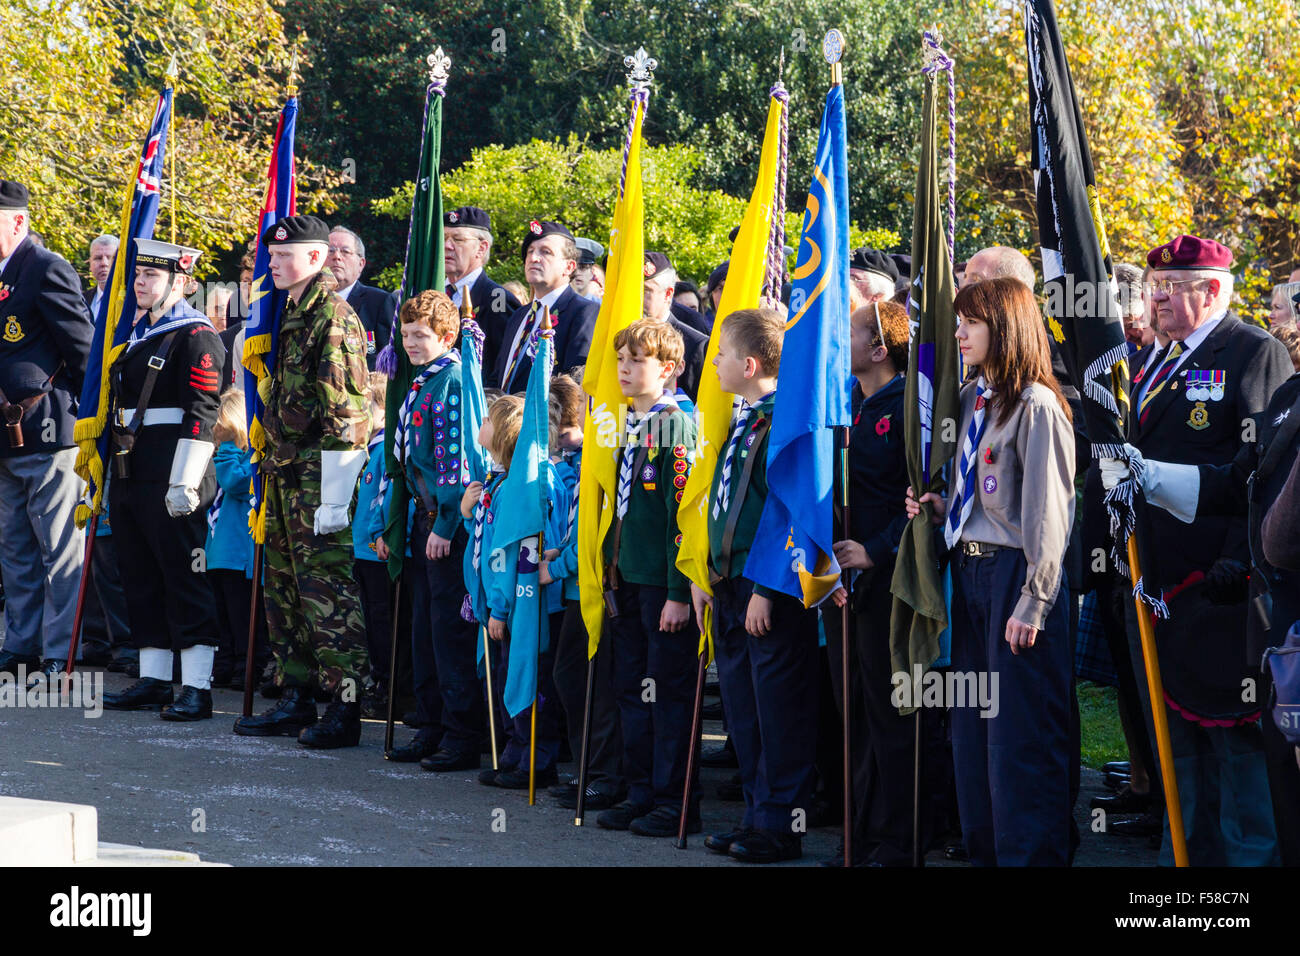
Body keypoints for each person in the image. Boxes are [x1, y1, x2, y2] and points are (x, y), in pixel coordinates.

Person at [1099, 234, 1296, 866]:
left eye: (1170, 287)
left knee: (1234, 749)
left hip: (1219, 587)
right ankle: (1184, 869)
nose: (1154, 298)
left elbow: (1264, 474)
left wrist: (1238, 561)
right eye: (1154, 286)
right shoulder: (1151, 359)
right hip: (1156, 579)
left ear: (1209, 291)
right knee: (1175, 742)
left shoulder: (1251, 351)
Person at [907, 276, 1079, 866]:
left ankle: (1029, 857)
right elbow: (981, 493)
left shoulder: (1035, 405)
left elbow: (1048, 515)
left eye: (970, 323)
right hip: (969, 571)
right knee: (973, 730)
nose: (958, 333)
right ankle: (986, 850)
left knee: (1018, 736)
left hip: (1015, 576)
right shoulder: (977, 396)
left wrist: (1034, 601)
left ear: (1003, 328)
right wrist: (939, 507)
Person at [232, 215, 372, 748]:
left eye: (284, 256)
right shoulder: (288, 312)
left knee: (327, 592)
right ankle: (297, 693)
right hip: (285, 471)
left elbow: (347, 412)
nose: (273, 262)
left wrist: (336, 495)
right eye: (272, 255)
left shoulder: (331, 317)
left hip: (319, 475)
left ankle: (345, 706)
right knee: (285, 588)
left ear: (316, 259)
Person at [690, 307, 818, 864]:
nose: (712, 361)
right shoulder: (742, 417)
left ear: (748, 363)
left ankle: (781, 826)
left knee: (778, 710)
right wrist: (703, 573)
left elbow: (789, 511)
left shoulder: (784, 424)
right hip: (728, 582)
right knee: (744, 707)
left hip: (766, 587)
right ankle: (754, 815)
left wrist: (767, 587)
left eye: (720, 353)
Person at [100, 239, 225, 720]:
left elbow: (202, 412)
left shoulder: (196, 336)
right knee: (140, 575)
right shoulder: (138, 335)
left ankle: (196, 686)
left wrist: (186, 481)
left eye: (153, 276)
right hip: (134, 472)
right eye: (139, 276)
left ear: (183, 282)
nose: (141, 283)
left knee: (184, 577)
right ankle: (154, 678)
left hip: (175, 473)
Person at [819, 300, 920, 866]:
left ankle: (897, 840)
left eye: (850, 333)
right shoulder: (844, 403)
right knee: (850, 708)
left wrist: (875, 551)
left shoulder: (907, 406)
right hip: (838, 583)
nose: (840, 343)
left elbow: (922, 497)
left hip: (887, 582)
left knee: (889, 712)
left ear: (879, 349)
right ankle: (858, 834)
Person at [596, 318, 699, 838]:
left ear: (670, 368)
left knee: (666, 693)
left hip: (662, 585)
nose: (625, 369)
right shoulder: (629, 423)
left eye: (638, 361)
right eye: (621, 360)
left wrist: (680, 593)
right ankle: (639, 790)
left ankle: (672, 799)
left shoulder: (674, 424)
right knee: (633, 689)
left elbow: (682, 512)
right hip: (626, 578)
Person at [381, 289, 483, 770]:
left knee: (449, 631)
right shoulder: (425, 379)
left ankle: (461, 735)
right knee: (424, 628)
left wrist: (444, 523)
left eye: (421, 335)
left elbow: (454, 463)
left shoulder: (454, 381)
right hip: (422, 520)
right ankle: (431, 723)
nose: (410, 344)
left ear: (448, 335)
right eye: (405, 335)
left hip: (448, 523)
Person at [0, 181, 94, 685]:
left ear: (18, 222)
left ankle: (59, 650)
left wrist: (90, 419)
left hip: (49, 427)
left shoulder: (45, 268)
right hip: (4, 439)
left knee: (59, 548)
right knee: (14, 549)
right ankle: (20, 646)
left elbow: (82, 350)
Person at [463, 394, 569, 788]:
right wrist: (467, 511)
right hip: (503, 603)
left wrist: (501, 609)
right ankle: (513, 750)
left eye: (488, 420)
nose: (482, 425)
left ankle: (537, 760)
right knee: (508, 676)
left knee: (531, 679)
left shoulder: (524, 486)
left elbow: (514, 556)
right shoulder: (501, 482)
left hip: (528, 605)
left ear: (507, 434)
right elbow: (487, 540)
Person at [542, 373, 627, 809]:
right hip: (578, 585)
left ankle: (605, 776)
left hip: (593, 583)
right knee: (573, 677)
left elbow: (600, 526)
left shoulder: (598, 456)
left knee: (593, 681)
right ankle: (588, 770)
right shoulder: (583, 458)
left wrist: (560, 566)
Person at [204, 388, 266, 691]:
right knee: (223, 617)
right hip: (219, 552)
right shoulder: (223, 455)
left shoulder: (242, 457)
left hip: (239, 556)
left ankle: (247, 666)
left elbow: (236, 483)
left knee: (243, 617)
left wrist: (227, 449)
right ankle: (225, 663)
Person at [490, 221, 599, 392]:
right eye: (530, 251)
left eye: (546, 252)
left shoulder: (584, 312)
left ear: (569, 267)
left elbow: (573, 386)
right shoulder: (519, 316)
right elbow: (498, 377)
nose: (533, 258)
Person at [443, 206, 522, 373]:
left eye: (458, 240)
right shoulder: (431, 293)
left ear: (481, 248)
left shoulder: (497, 298)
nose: (447, 246)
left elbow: (501, 365)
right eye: (443, 238)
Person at [326, 225, 398, 369]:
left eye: (345, 251)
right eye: (330, 251)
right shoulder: (308, 302)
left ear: (361, 264)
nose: (337, 257)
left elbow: (388, 359)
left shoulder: (379, 302)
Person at [641, 251, 708, 400]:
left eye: (646, 291)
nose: (637, 298)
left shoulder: (696, 344)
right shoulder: (616, 334)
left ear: (668, 294)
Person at [85, 234, 119, 318]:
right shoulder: (81, 300)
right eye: (98, 258)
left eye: (110, 258)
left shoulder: (134, 301)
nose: (104, 263)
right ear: (90, 264)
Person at [570, 237, 605, 304]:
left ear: (592, 272)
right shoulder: (553, 301)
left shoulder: (602, 308)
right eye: (573, 268)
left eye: (583, 267)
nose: (577, 273)